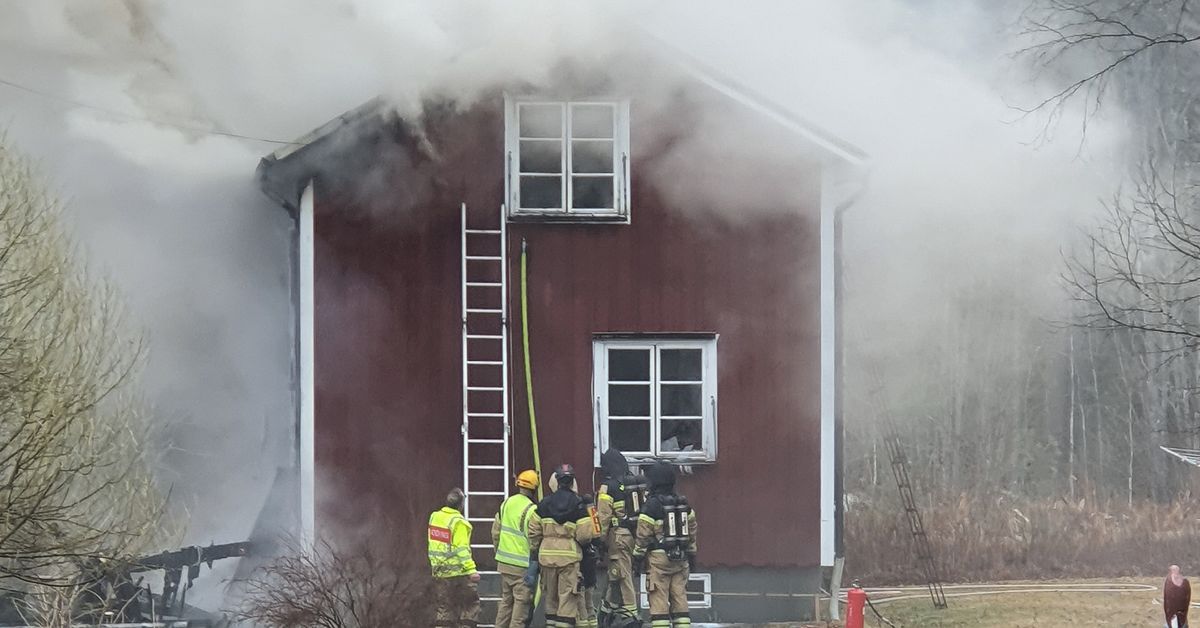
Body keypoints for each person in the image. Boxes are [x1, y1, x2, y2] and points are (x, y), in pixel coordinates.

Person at [528, 464, 596, 628]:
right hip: (569, 559)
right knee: (567, 598)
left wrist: (537, 548)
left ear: (556, 481)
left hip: (546, 559)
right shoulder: (579, 504)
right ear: (572, 481)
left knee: (551, 598)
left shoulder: (544, 503)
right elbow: (585, 535)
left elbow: (533, 531)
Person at [634, 462, 697, 628]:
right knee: (679, 596)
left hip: (658, 560)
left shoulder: (651, 505)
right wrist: (692, 555)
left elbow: (643, 535)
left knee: (658, 597)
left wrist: (638, 557)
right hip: (681, 558)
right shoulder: (682, 503)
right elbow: (692, 532)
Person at [597, 449, 641, 622]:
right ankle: (607, 612)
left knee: (622, 576)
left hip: (618, 537)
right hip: (633, 535)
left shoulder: (609, 486)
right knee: (614, 575)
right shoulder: (633, 483)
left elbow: (603, 517)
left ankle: (632, 617)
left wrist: (599, 541)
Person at [492, 470, 540, 628]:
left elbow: (495, 532)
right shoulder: (531, 510)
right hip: (521, 568)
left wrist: (498, 552)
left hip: (504, 564)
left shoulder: (506, 503)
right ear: (534, 489)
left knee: (506, 604)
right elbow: (534, 540)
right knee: (520, 609)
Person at [428, 488, 481, 628]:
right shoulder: (459, 523)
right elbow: (461, 550)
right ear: (461, 505)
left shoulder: (435, 517)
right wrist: (472, 571)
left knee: (444, 609)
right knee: (470, 606)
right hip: (459, 573)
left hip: (439, 572)